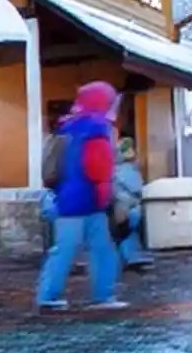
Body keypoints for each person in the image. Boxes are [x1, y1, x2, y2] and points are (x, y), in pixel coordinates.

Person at [36, 81, 127, 310]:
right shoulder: (97, 127)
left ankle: (48, 295)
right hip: (89, 200)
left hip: (67, 200)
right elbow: (98, 165)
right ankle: (102, 295)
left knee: (63, 251)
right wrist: (104, 191)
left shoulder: (68, 127)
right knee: (102, 251)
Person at [112, 137, 153, 272]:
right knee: (130, 225)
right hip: (126, 208)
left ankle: (126, 256)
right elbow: (138, 189)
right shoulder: (127, 170)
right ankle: (131, 256)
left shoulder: (114, 171)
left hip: (118, 208)